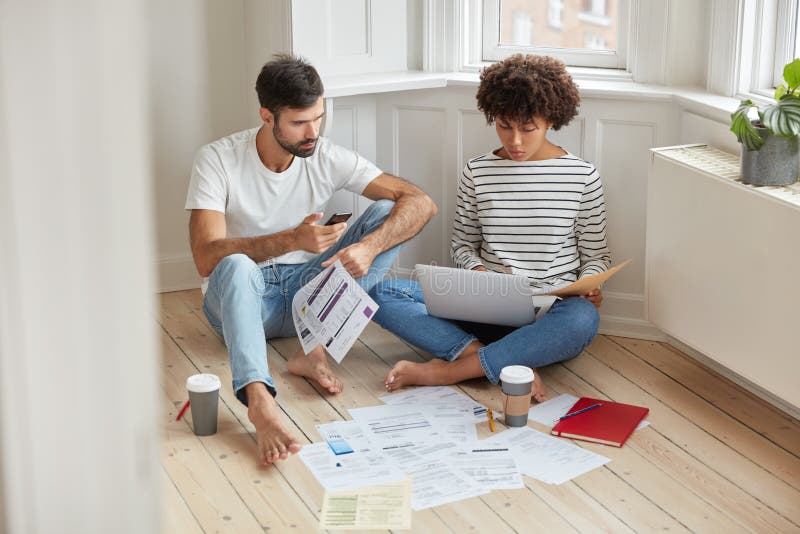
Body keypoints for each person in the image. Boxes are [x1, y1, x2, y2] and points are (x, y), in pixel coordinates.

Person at [185, 54, 437, 466]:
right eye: (299, 122)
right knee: (236, 264)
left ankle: (313, 346)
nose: (312, 132)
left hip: (307, 295)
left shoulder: (325, 154)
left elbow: (421, 202)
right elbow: (204, 257)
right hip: (245, 301)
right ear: (267, 116)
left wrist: (369, 247)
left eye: (318, 117)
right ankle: (259, 400)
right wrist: (291, 239)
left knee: (386, 215)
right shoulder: (217, 159)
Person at [369, 54, 610, 402]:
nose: (515, 141)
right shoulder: (477, 171)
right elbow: (462, 245)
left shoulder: (582, 176)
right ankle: (499, 360)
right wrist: (480, 274)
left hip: (550, 312)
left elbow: (596, 255)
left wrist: (590, 285)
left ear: (551, 120)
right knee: (383, 293)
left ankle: (449, 371)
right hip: (486, 307)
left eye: (528, 129)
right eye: (504, 125)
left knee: (582, 319)